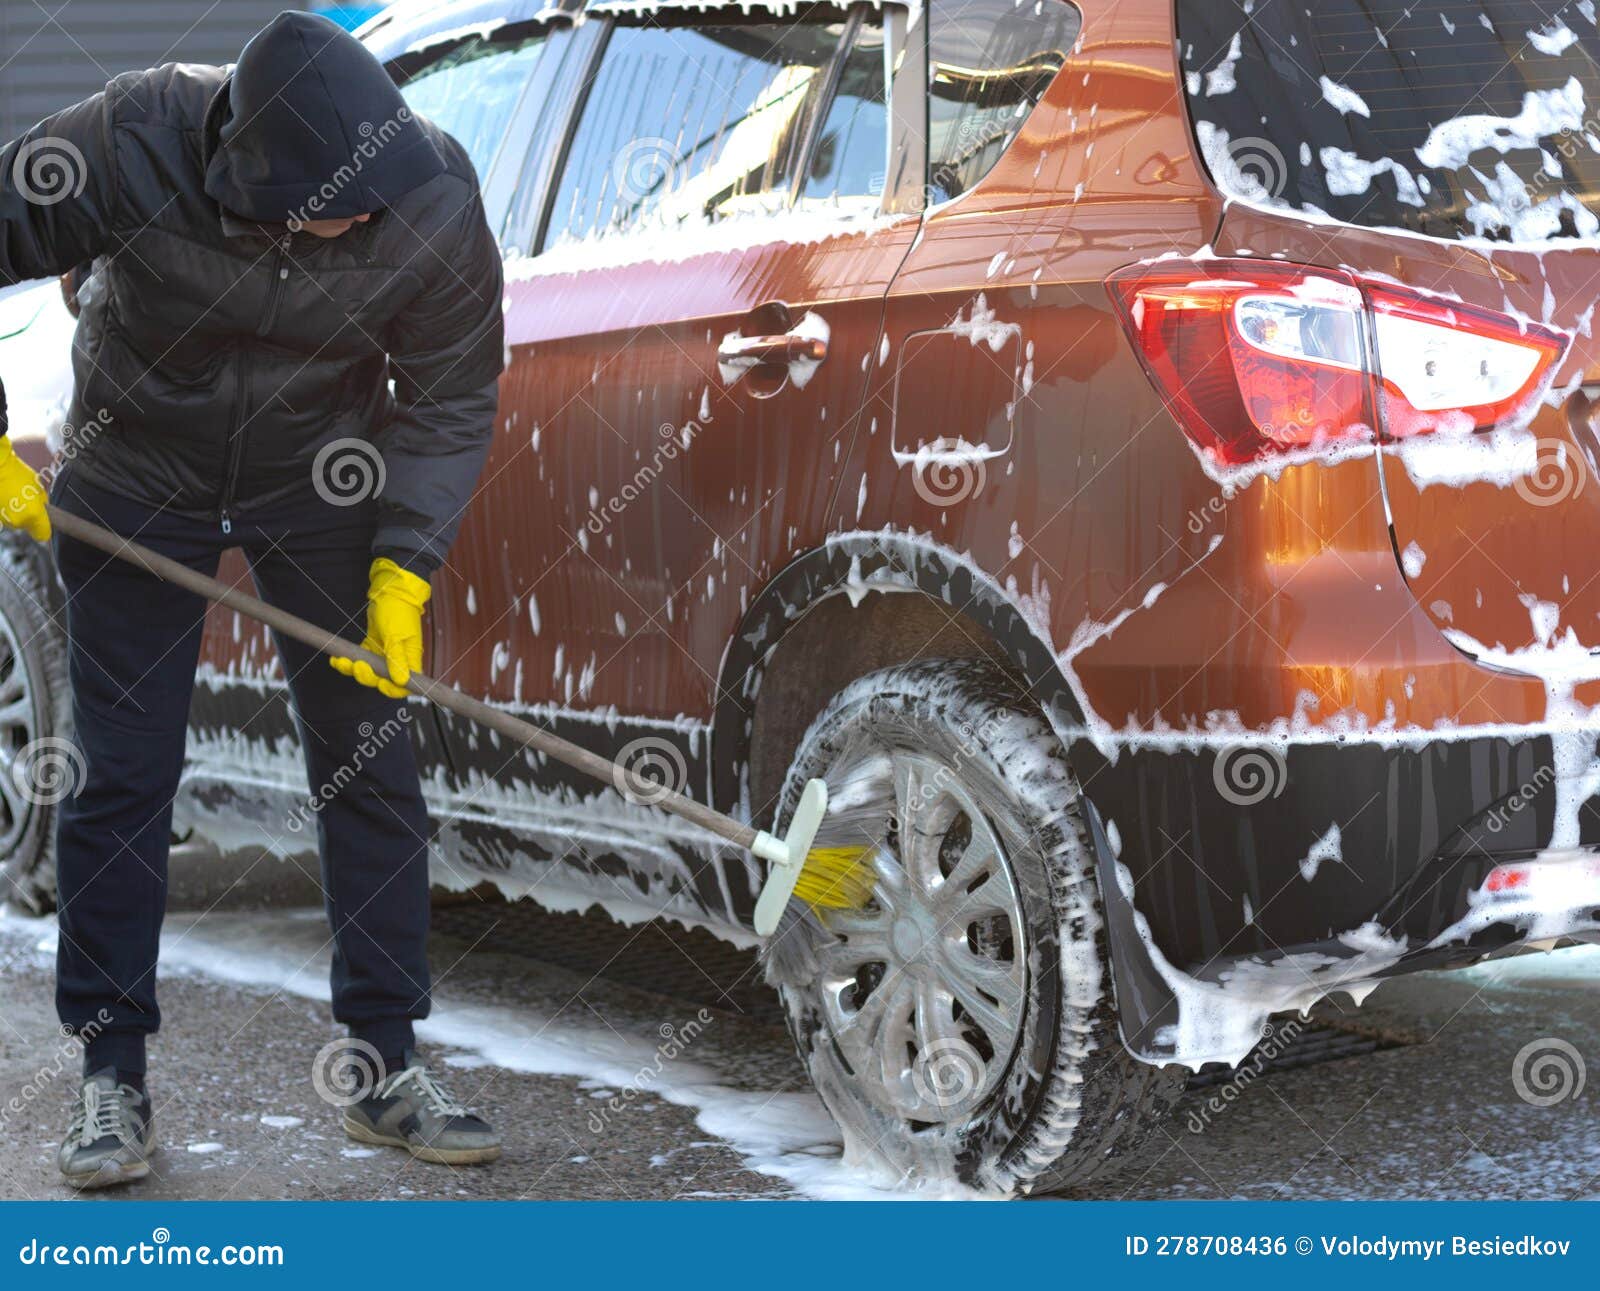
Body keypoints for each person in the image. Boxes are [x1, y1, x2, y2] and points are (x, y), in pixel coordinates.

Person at [0, 10, 506, 1188]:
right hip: (136, 474)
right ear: (257, 180)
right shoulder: (131, 139)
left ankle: (385, 1064)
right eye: (339, 210)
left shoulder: (427, 191)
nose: (363, 220)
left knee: (368, 755)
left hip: (321, 477)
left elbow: (450, 391)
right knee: (125, 772)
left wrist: (403, 565)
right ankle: (112, 1075)